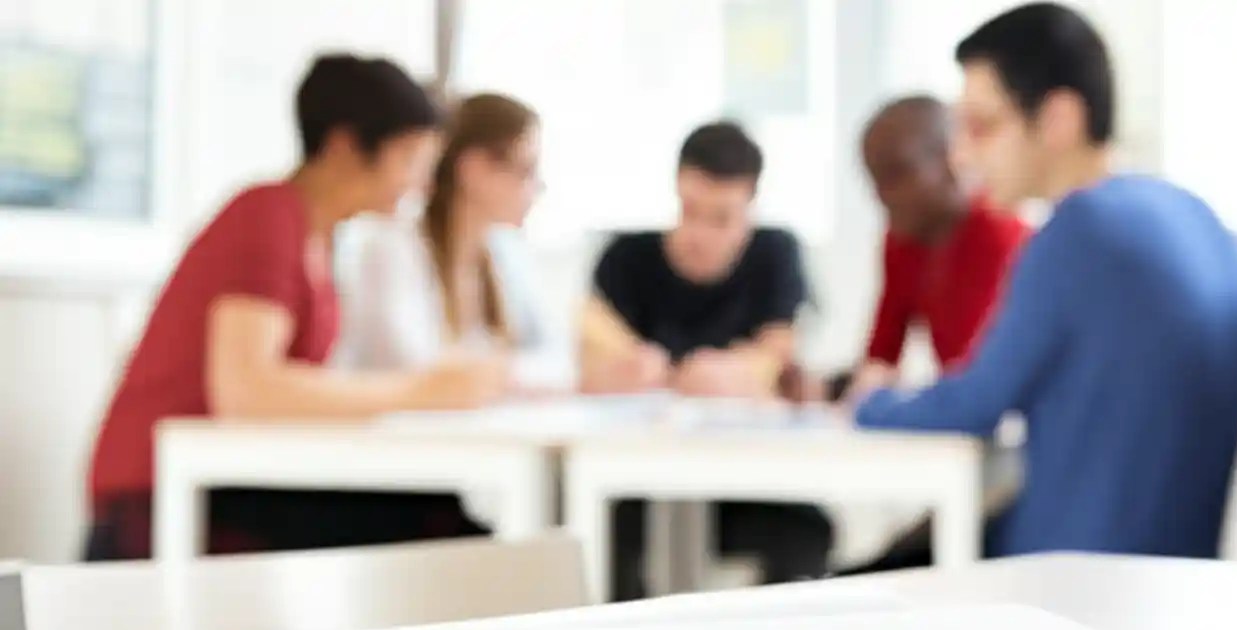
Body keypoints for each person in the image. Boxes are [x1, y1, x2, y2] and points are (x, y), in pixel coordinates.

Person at [853, 2, 1237, 564]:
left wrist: (869, 403)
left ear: (1058, 118)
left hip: (1069, 580)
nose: (963, 154)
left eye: (982, 126)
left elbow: (974, 403)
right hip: (1169, 574)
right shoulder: (1196, 218)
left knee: (857, 581)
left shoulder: (1081, 230)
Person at [86, 55, 507, 561]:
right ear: (345, 146)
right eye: (411, 160)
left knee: (443, 518)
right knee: (442, 534)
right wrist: (421, 391)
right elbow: (248, 390)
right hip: (160, 501)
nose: (422, 185)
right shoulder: (265, 216)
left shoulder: (321, 237)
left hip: (227, 483)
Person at [579, 121, 830, 599]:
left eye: (721, 218)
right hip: (637, 483)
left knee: (805, 533)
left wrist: (737, 372)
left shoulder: (776, 253)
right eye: (690, 211)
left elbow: (777, 355)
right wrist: (627, 372)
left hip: (745, 482)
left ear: (751, 207)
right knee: (604, 530)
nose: (699, 234)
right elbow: (590, 366)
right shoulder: (625, 259)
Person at [336, 92, 568, 530]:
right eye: (525, 170)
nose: (535, 189)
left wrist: (494, 376)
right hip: (398, 473)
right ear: (475, 169)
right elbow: (418, 372)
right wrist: (503, 374)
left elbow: (558, 360)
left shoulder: (503, 254)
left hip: (477, 462)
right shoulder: (391, 246)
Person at [843, 95, 1029, 399]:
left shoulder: (1002, 237)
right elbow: (880, 359)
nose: (883, 195)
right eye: (875, 178)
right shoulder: (902, 244)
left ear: (952, 158)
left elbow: (981, 380)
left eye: (898, 173)